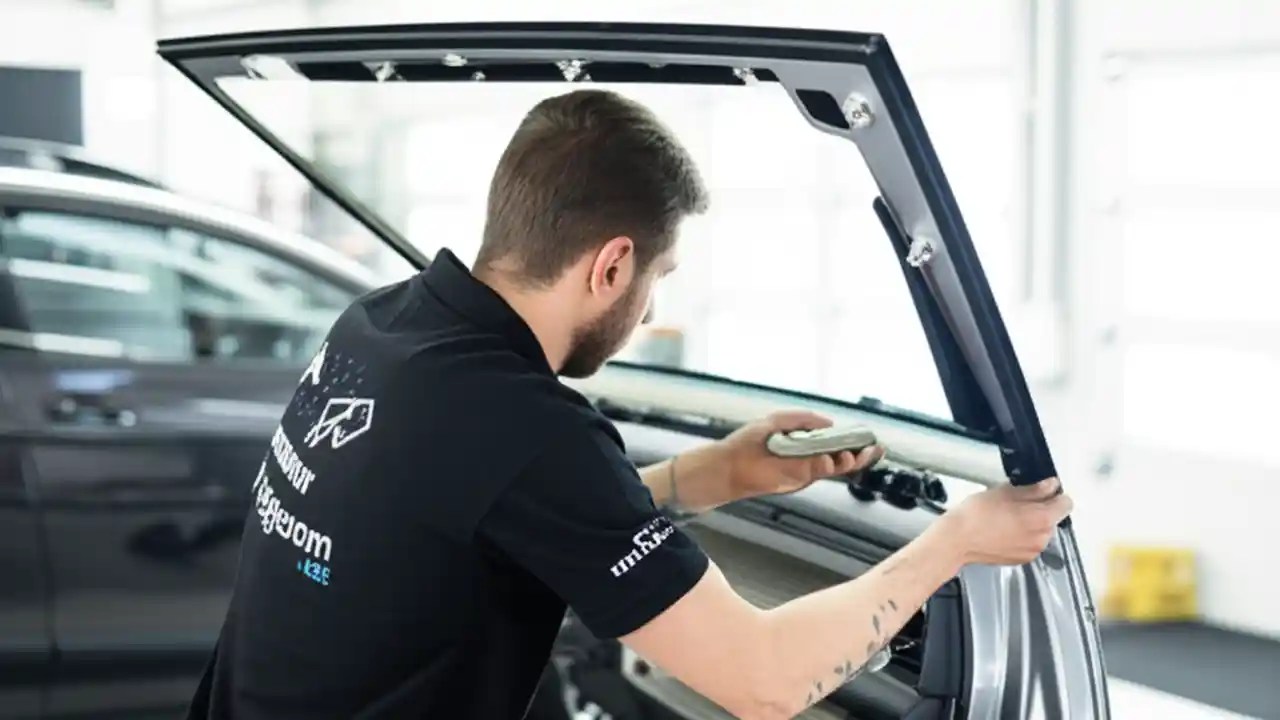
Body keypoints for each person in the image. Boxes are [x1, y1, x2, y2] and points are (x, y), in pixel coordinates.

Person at [185, 88, 1073, 720]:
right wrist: (955, 543)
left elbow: (486, 518)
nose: (650, 310)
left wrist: (715, 472)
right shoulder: (523, 424)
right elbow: (763, 683)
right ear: (610, 264)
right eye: (656, 277)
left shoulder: (383, 328)